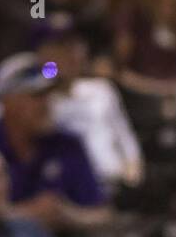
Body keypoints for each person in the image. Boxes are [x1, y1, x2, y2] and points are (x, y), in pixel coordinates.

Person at [0, 52, 111, 234]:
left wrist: (69, 215)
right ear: (7, 102)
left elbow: (102, 214)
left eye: (49, 94)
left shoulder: (68, 144)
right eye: (36, 95)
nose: (46, 103)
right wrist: (23, 215)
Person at [40, 19, 144, 190]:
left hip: (111, 183)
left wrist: (132, 177)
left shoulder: (102, 90)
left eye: (75, 46)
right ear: (44, 55)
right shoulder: (33, 100)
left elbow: (126, 141)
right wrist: (48, 78)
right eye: (61, 48)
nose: (71, 54)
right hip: (62, 187)